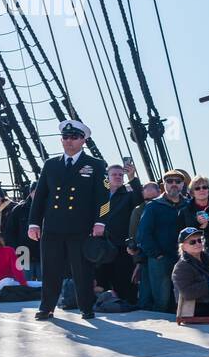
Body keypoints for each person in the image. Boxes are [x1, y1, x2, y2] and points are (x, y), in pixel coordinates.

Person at [28, 120, 108, 321]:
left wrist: (101, 221)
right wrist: (34, 223)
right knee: (50, 269)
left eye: (74, 137)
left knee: (82, 270)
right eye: (66, 137)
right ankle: (47, 307)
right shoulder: (51, 164)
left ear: (83, 140)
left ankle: (86, 307)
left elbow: (103, 198)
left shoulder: (96, 165)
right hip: (53, 226)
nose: (69, 141)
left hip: (80, 227)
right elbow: (40, 197)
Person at [136, 169, 189, 312]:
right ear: (163, 185)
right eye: (169, 181)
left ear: (182, 184)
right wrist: (156, 255)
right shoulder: (153, 206)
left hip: (184, 259)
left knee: (183, 302)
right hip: (160, 260)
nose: (174, 184)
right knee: (162, 302)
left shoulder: (188, 205)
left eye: (177, 182)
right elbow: (143, 234)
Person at [96, 163, 143, 303]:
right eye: (114, 174)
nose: (117, 177)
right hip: (101, 246)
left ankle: (126, 306)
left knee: (123, 281)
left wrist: (132, 177)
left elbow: (139, 201)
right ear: (107, 177)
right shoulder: (100, 195)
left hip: (121, 247)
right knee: (100, 281)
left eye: (120, 175)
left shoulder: (128, 196)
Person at [172, 227, 209, 317]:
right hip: (196, 309)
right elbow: (187, 293)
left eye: (199, 240)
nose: (198, 244)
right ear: (183, 247)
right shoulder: (181, 267)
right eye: (192, 242)